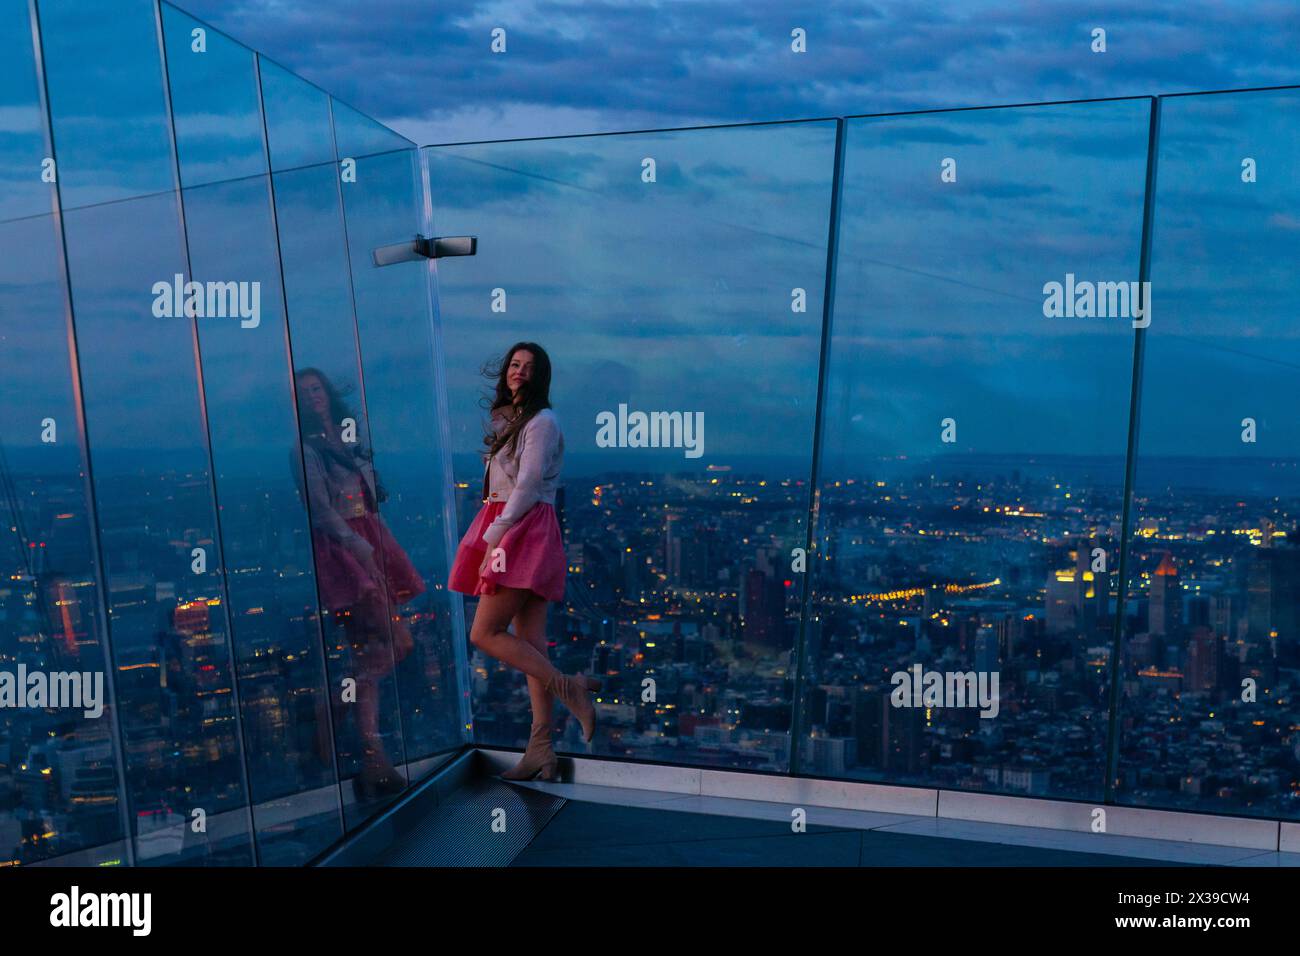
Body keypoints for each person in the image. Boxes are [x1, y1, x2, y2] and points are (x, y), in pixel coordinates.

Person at [448, 342, 599, 781]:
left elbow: (529, 483)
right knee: (531, 641)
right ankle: (541, 750)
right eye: (515, 364)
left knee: (485, 632)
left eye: (529, 367)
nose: (519, 371)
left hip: (521, 527)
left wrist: (496, 536)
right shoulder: (512, 421)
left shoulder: (542, 422)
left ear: (540, 377)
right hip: (515, 523)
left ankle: (570, 689)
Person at [295, 367, 421, 798]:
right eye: (304, 391)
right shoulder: (306, 450)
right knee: (396, 641)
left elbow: (367, 490)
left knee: (371, 652)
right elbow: (320, 510)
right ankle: (336, 715)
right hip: (344, 547)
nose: (313, 395)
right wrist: (358, 548)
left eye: (317, 388)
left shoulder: (347, 436)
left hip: (367, 535)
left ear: (328, 393)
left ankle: (366, 751)